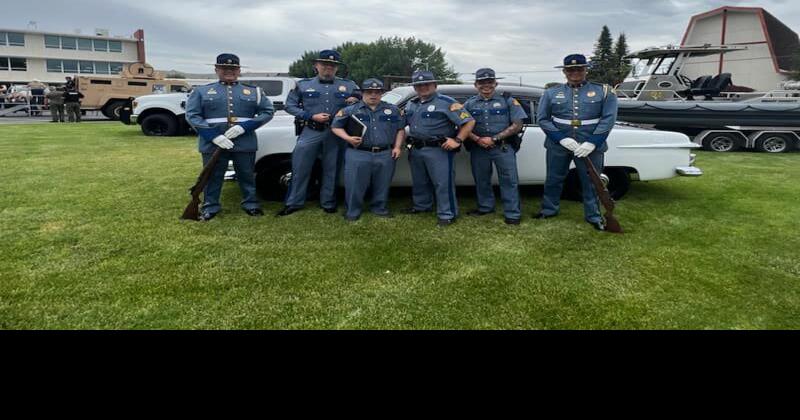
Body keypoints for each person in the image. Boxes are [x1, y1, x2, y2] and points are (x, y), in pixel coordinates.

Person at [185, 53, 275, 221]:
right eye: (224, 68)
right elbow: (192, 116)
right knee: (213, 175)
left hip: (244, 140)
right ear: (216, 69)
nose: (229, 71)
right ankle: (210, 206)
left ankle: (251, 204)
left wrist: (244, 127)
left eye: (233, 68)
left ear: (239, 70)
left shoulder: (254, 91)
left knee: (246, 174)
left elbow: (268, 112)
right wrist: (213, 136)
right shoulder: (201, 91)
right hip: (213, 142)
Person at [535, 53, 618, 231]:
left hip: (590, 144)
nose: (575, 72)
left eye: (579, 69)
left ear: (586, 70)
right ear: (564, 71)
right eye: (571, 70)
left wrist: (593, 142)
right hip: (559, 144)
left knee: (592, 182)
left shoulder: (604, 91)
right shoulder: (551, 92)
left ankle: (593, 216)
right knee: (554, 179)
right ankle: (549, 210)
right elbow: (542, 119)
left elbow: (608, 119)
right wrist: (561, 138)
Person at [278, 50, 361, 216]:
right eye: (324, 64)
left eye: (332, 65)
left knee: (332, 169)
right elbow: (290, 106)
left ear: (336, 68)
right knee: (300, 167)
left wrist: (355, 101)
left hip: (336, 133)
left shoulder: (350, 85)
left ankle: (328, 202)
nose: (328, 68)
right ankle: (294, 202)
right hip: (311, 130)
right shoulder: (303, 84)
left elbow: (362, 102)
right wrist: (310, 116)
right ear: (316, 66)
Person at [403, 70, 475, 227]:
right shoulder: (412, 103)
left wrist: (457, 140)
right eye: (419, 85)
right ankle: (422, 206)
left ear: (434, 85)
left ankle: (447, 213)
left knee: (443, 183)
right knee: (420, 181)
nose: (422, 87)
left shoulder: (447, 102)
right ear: (415, 87)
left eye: (426, 84)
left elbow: (469, 122)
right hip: (416, 148)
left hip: (439, 150)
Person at [331, 78, 405, 221]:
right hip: (358, 153)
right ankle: (352, 211)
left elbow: (400, 129)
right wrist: (348, 138)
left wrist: (397, 147)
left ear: (382, 93)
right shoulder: (350, 109)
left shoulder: (393, 110)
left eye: (377, 92)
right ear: (362, 93)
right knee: (354, 184)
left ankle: (379, 208)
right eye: (369, 92)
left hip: (385, 152)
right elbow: (335, 126)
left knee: (383, 183)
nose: (373, 95)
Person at [463, 68, 528, 225]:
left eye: (489, 82)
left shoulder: (508, 101)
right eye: (481, 82)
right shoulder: (469, 103)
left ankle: (512, 213)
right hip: (479, 148)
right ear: (475, 85)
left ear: (495, 83)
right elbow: (462, 125)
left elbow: (518, 124)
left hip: (503, 147)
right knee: (481, 179)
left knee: (509, 180)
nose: (486, 85)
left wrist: (494, 138)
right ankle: (485, 207)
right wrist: (477, 139)